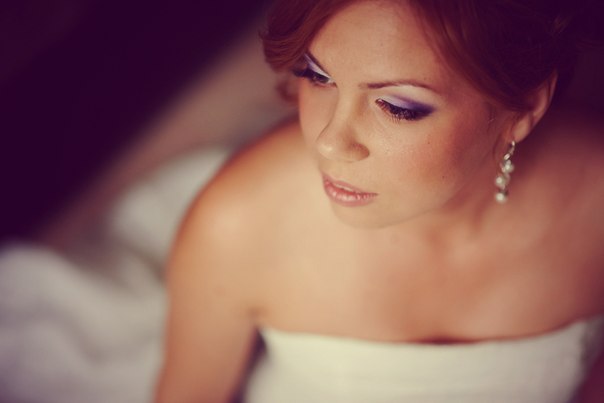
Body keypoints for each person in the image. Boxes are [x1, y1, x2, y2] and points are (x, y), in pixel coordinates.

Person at [154, 0, 604, 402]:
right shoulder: (240, 222)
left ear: (523, 107)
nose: (330, 142)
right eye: (317, 76)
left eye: (397, 107)